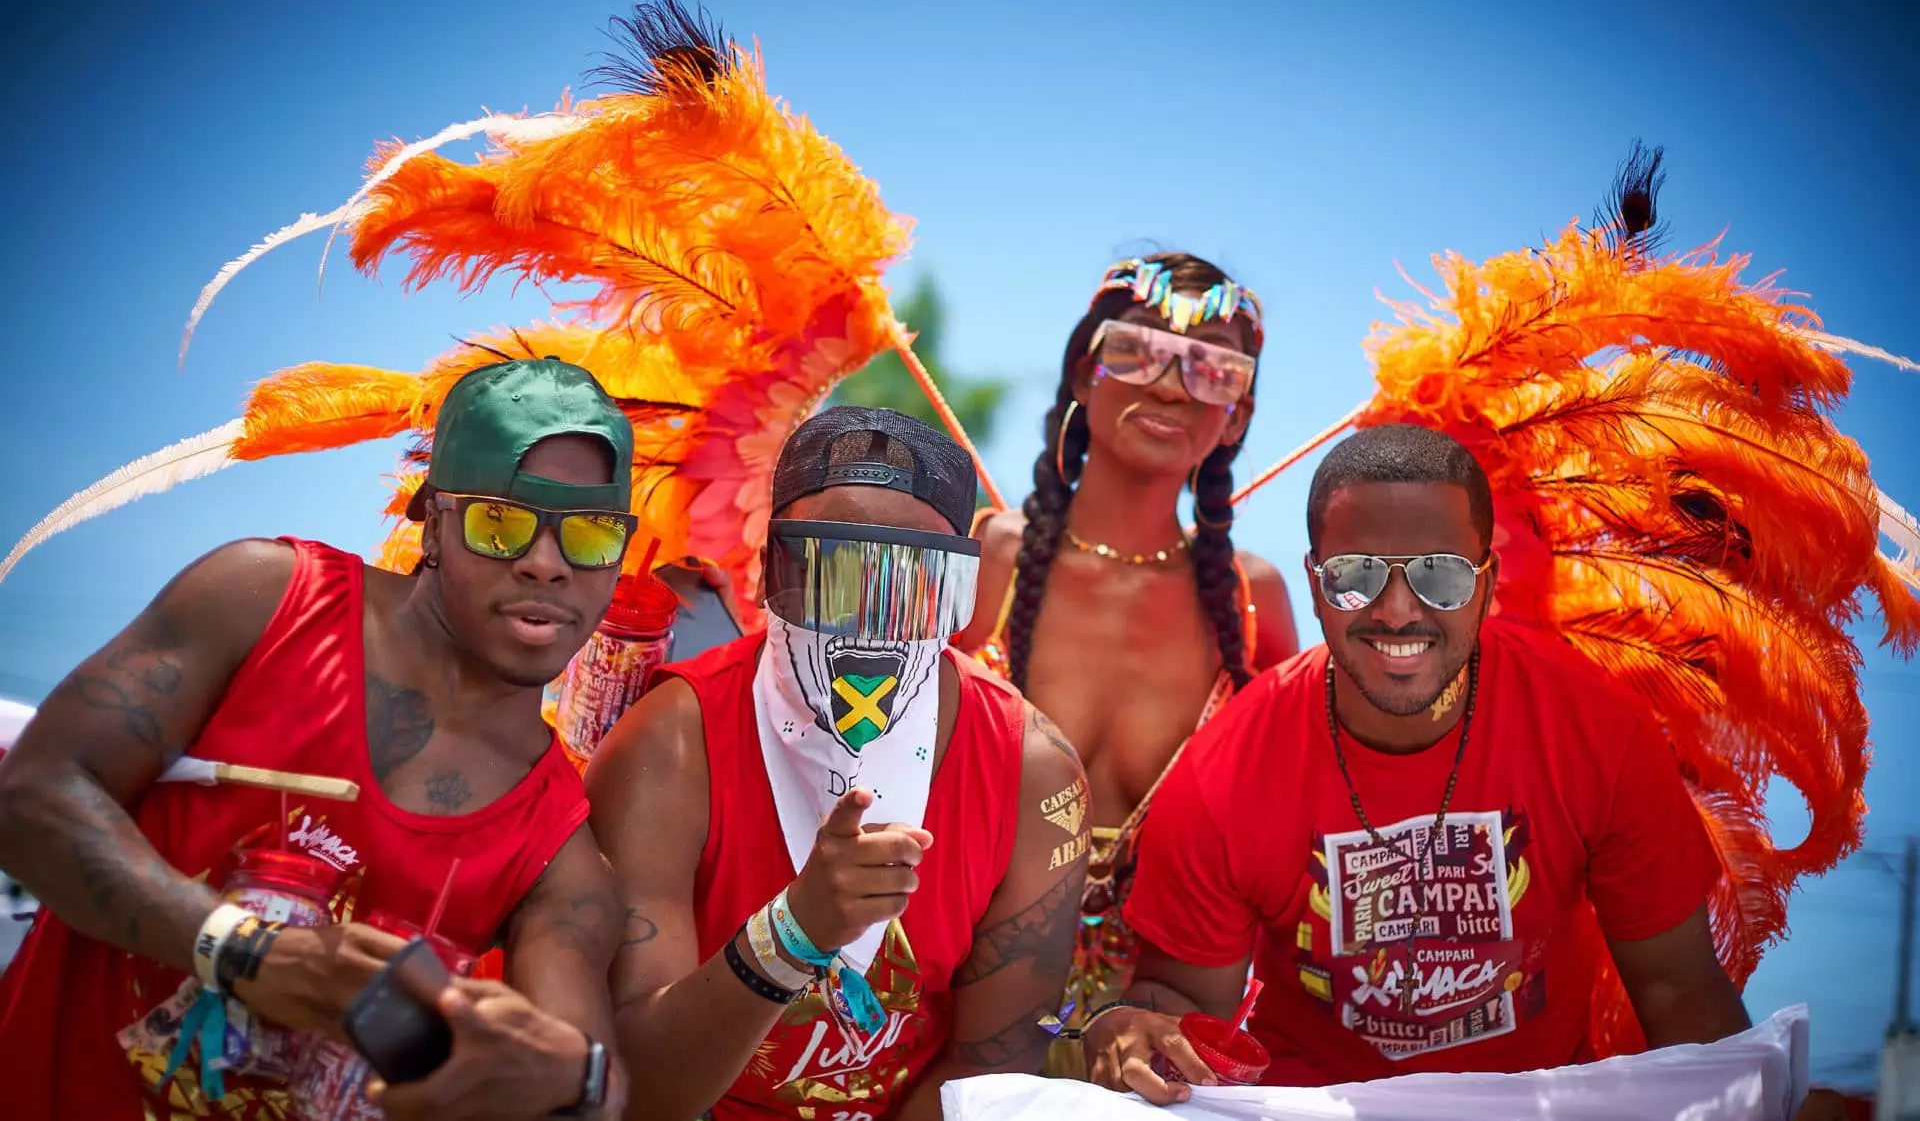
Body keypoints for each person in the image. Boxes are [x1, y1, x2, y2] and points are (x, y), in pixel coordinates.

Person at [0, 358, 632, 1120]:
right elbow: (35, 792)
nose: (546, 563)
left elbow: (584, 1064)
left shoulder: (555, 843)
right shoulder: (264, 603)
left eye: (592, 535)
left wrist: (569, 1080)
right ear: (431, 520)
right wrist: (243, 952)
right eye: (501, 523)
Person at [1083, 423, 1750, 1102]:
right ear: (1314, 586)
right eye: (1355, 577)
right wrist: (1126, 1024)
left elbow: (1679, 989)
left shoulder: (1596, 731)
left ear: (1486, 584)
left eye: (1441, 575)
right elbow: (1185, 1001)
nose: (1397, 611)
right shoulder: (1225, 771)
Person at [587, 405, 1088, 1121]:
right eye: (830, 575)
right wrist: (791, 934)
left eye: (911, 583)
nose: (869, 623)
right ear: (767, 573)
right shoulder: (667, 748)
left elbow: (991, 1072)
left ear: (960, 598)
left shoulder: (1031, 769)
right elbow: (636, 1095)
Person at [955, 252, 1299, 1053]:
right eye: (1136, 350)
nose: (1172, 385)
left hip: (1159, 1046)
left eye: (1212, 367)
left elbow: (1291, 826)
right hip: (956, 1020)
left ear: (1238, 415)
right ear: (1084, 374)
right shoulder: (991, 558)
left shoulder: (1255, 604)